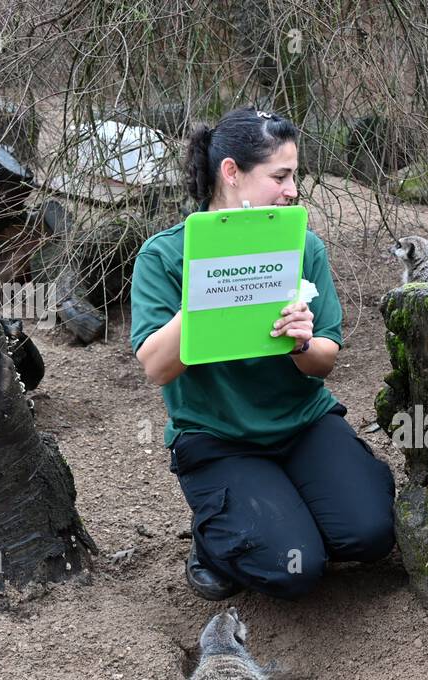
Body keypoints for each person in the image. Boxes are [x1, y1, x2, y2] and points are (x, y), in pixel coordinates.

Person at [129, 107, 395, 601]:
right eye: (281, 176)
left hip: (302, 424)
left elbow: (325, 360)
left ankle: (285, 510)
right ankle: (214, 539)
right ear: (231, 172)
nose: (293, 190)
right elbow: (156, 367)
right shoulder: (164, 256)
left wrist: (302, 342)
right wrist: (214, 281)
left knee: (370, 535)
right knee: (295, 570)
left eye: (295, 175)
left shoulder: (304, 247)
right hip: (218, 438)